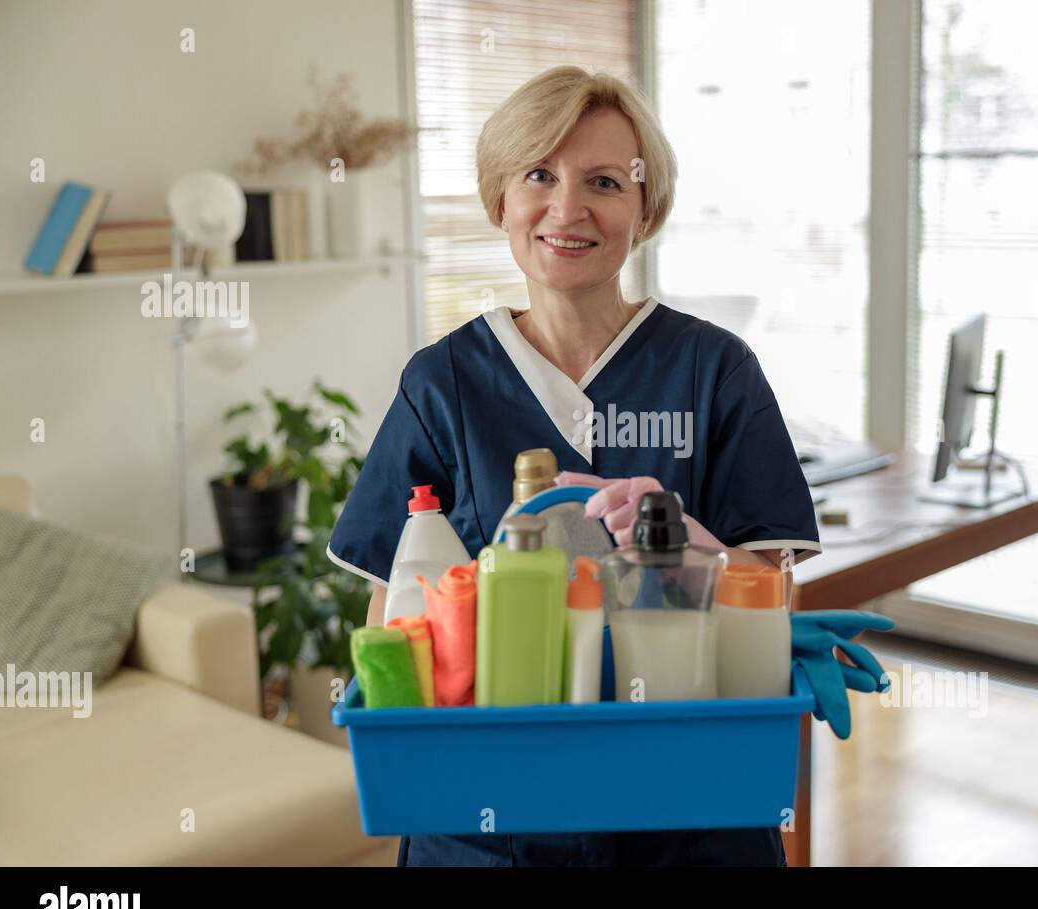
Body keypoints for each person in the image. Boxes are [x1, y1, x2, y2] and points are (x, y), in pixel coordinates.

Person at [328, 66, 821, 866]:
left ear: (645, 208)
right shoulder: (443, 382)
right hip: (489, 817)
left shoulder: (715, 370)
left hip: (687, 811)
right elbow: (396, 620)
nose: (567, 209)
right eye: (538, 175)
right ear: (500, 201)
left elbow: (770, 588)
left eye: (604, 181)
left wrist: (695, 546)